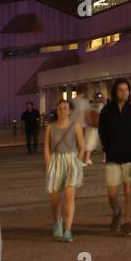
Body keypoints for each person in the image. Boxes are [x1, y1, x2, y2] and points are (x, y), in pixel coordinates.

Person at [98, 79, 131, 235]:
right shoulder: (107, 111)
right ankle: (117, 211)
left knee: (128, 190)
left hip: (130, 157)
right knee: (112, 193)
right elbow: (102, 131)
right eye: (120, 90)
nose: (124, 92)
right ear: (115, 91)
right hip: (112, 157)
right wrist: (107, 146)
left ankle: (127, 222)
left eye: (126, 89)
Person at [44, 98, 85, 241]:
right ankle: (57, 222)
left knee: (69, 196)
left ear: (70, 111)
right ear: (56, 110)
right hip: (56, 162)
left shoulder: (76, 126)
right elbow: (47, 147)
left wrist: (77, 163)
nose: (62, 110)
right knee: (55, 199)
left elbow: (82, 147)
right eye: (60, 108)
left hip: (71, 162)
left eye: (65, 108)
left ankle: (68, 230)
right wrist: (49, 164)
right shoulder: (50, 127)